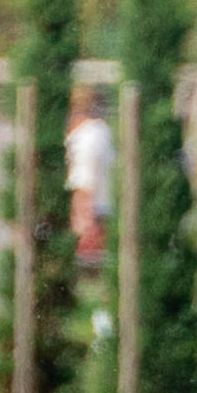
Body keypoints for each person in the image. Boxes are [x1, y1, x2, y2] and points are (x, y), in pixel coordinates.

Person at [65, 83, 113, 270]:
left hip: (91, 216)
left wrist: (84, 226)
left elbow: (84, 184)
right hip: (102, 211)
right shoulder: (100, 132)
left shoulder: (85, 138)